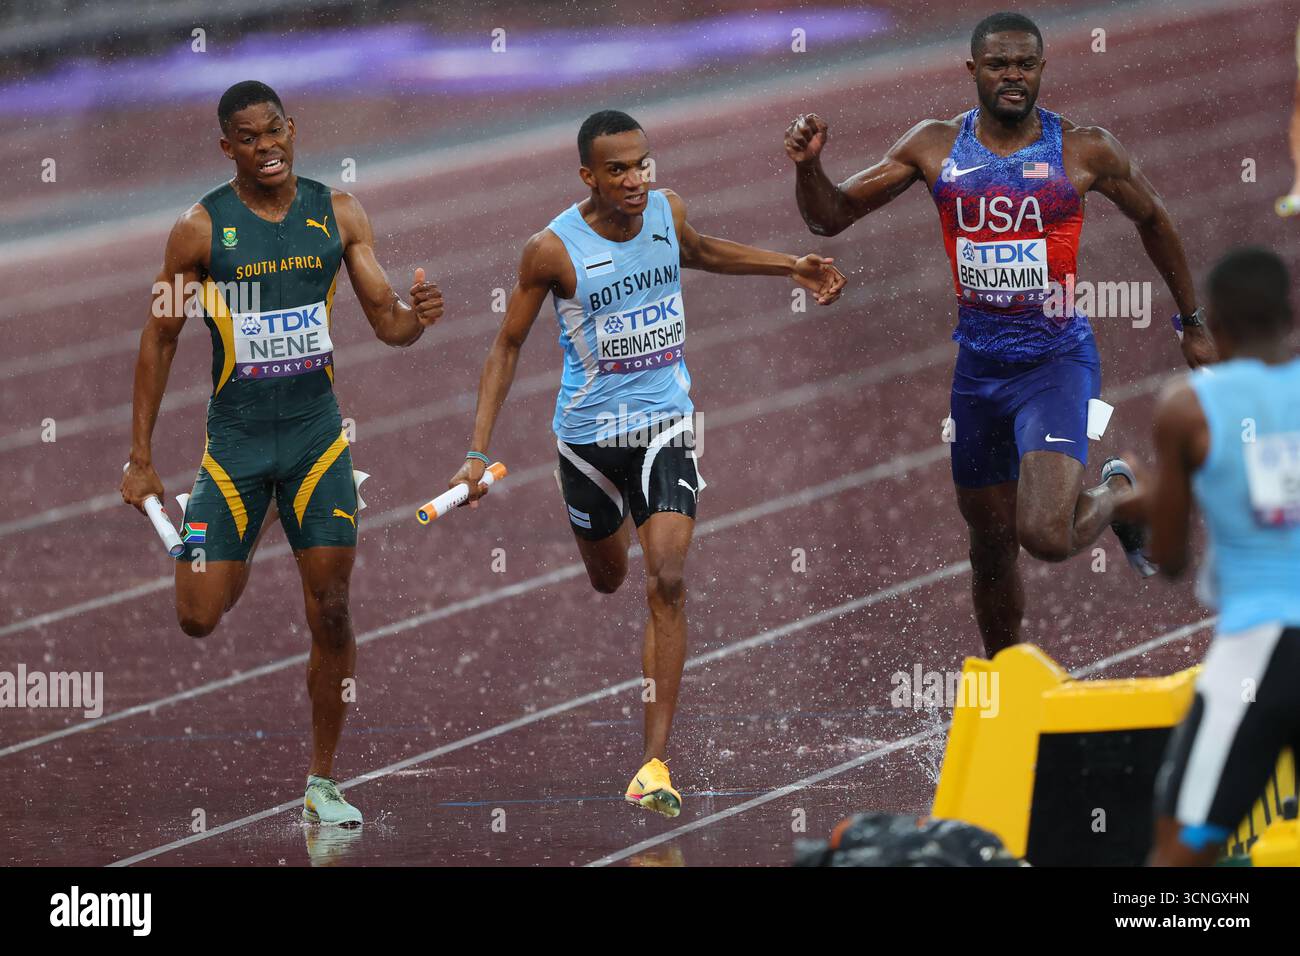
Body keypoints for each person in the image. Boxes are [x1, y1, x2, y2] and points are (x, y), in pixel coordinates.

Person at [448, 109, 846, 818]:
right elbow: (506, 346)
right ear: (588, 177)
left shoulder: (667, 211)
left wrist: (791, 264)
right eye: (618, 170)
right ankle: (613, 544)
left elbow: (696, 250)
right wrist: (477, 452)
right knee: (610, 579)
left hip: (664, 425)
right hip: (588, 443)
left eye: (642, 164)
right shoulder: (552, 250)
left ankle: (653, 764)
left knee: (667, 579)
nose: (635, 180)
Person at [784, 11, 1217, 657]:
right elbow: (830, 219)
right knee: (989, 546)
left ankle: (1122, 491)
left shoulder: (1084, 149)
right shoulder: (933, 145)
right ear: (973, 71)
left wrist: (1193, 323)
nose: (1012, 76)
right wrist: (810, 168)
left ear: (1041, 69)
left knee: (1044, 534)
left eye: (1024, 64)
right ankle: (1006, 680)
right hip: (980, 374)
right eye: (998, 65)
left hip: (1056, 365)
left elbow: (1154, 219)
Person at [119, 81, 443, 826]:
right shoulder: (200, 231)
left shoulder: (339, 213)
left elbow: (388, 324)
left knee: (331, 610)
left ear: (293, 130)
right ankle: (255, 520)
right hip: (233, 451)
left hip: (315, 445)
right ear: (226, 147)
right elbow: (159, 337)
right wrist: (139, 456)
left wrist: (416, 322)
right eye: (249, 138)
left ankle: (322, 783)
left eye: (276, 133)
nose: (267, 148)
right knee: (199, 616)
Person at [1111, 247, 1300, 866]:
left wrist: (1146, 503)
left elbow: (1167, 558)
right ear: (1289, 313)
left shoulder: (1191, 410)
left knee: (1181, 855)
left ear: (1214, 327)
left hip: (1261, 653)